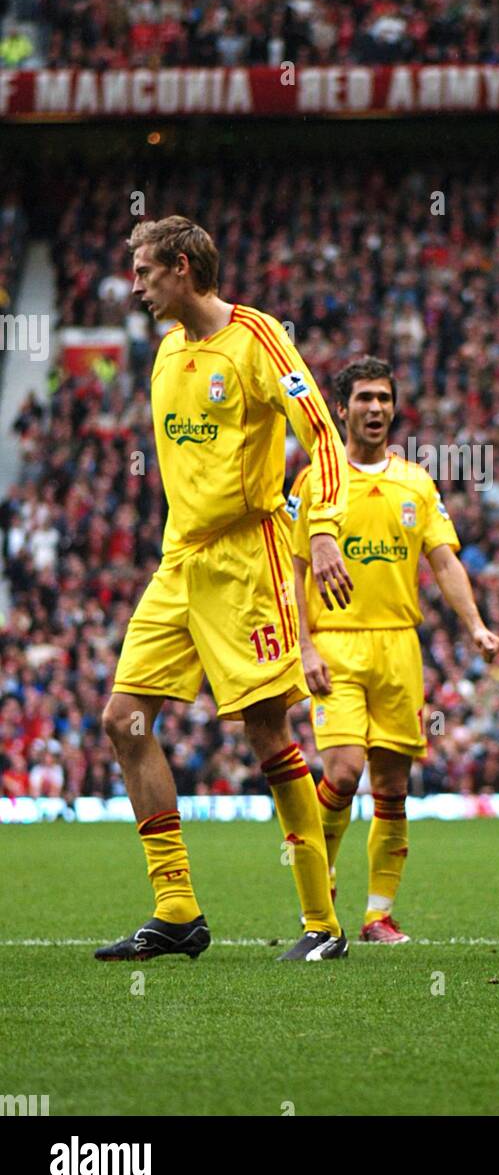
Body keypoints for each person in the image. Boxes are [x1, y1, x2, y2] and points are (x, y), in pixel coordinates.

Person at [95, 216, 354, 963]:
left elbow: (323, 437)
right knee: (123, 719)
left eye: (145, 272)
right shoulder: (169, 350)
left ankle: (321, 924)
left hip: (249, 559)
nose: (136, 286)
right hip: (180, 561)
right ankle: (177, 909)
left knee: (266, 731)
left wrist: (326, 528)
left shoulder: (259, 338)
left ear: (181, 267)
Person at [291, 356, 499, 942]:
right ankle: (322, 879)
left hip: (399, 648)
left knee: (391, 785)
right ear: (342, 408)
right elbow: (293, 568)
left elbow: (443, 560)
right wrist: (303, 647)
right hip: (335, 644)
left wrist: (476, 626)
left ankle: (377, 914)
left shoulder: (416, 482)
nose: (376, 408)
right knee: (343, 769)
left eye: (383, 398)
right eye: (363, 398)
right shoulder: (315, 481)